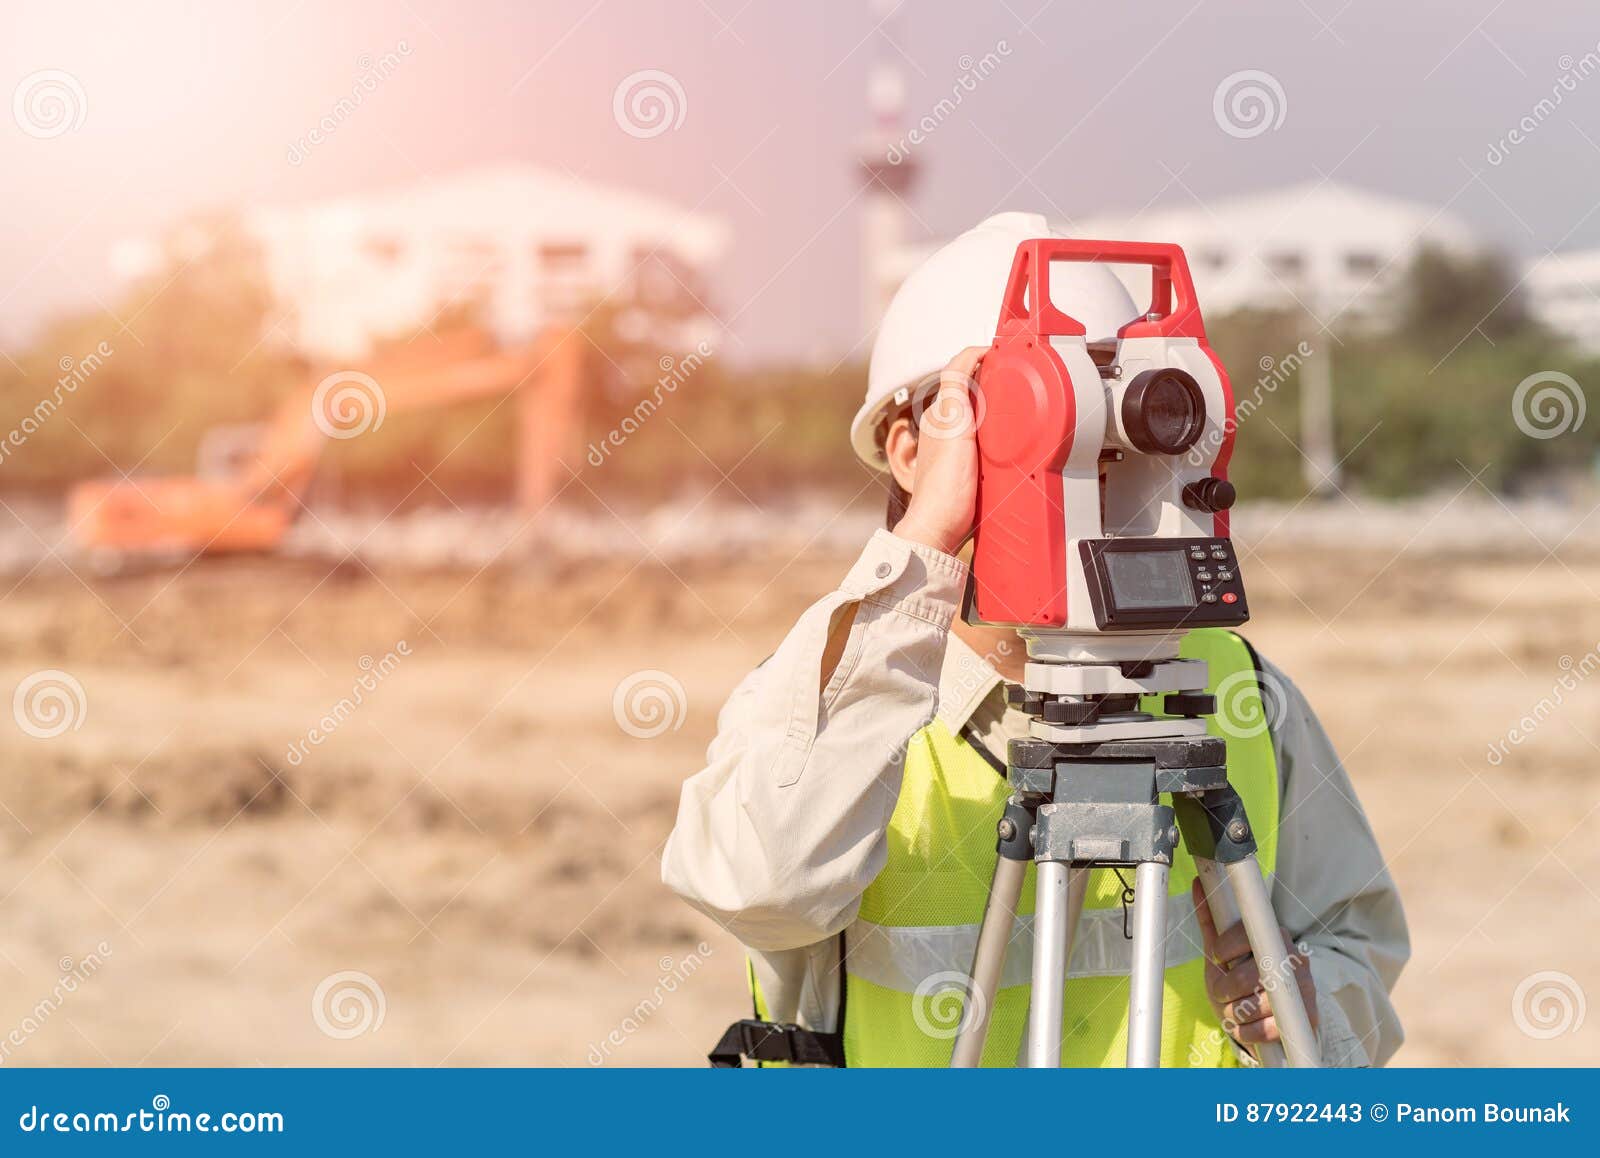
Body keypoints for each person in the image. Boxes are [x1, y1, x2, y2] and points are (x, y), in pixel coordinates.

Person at [661, 212, 1408, 1067]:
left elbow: (1360, 952)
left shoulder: (1239, 696)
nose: (1088, 461)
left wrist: (1307, 1004)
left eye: (1111, 421)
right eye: (1043, 419)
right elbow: (766, 888)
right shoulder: (828, 690)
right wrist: (928, 547)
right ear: (912, 450)